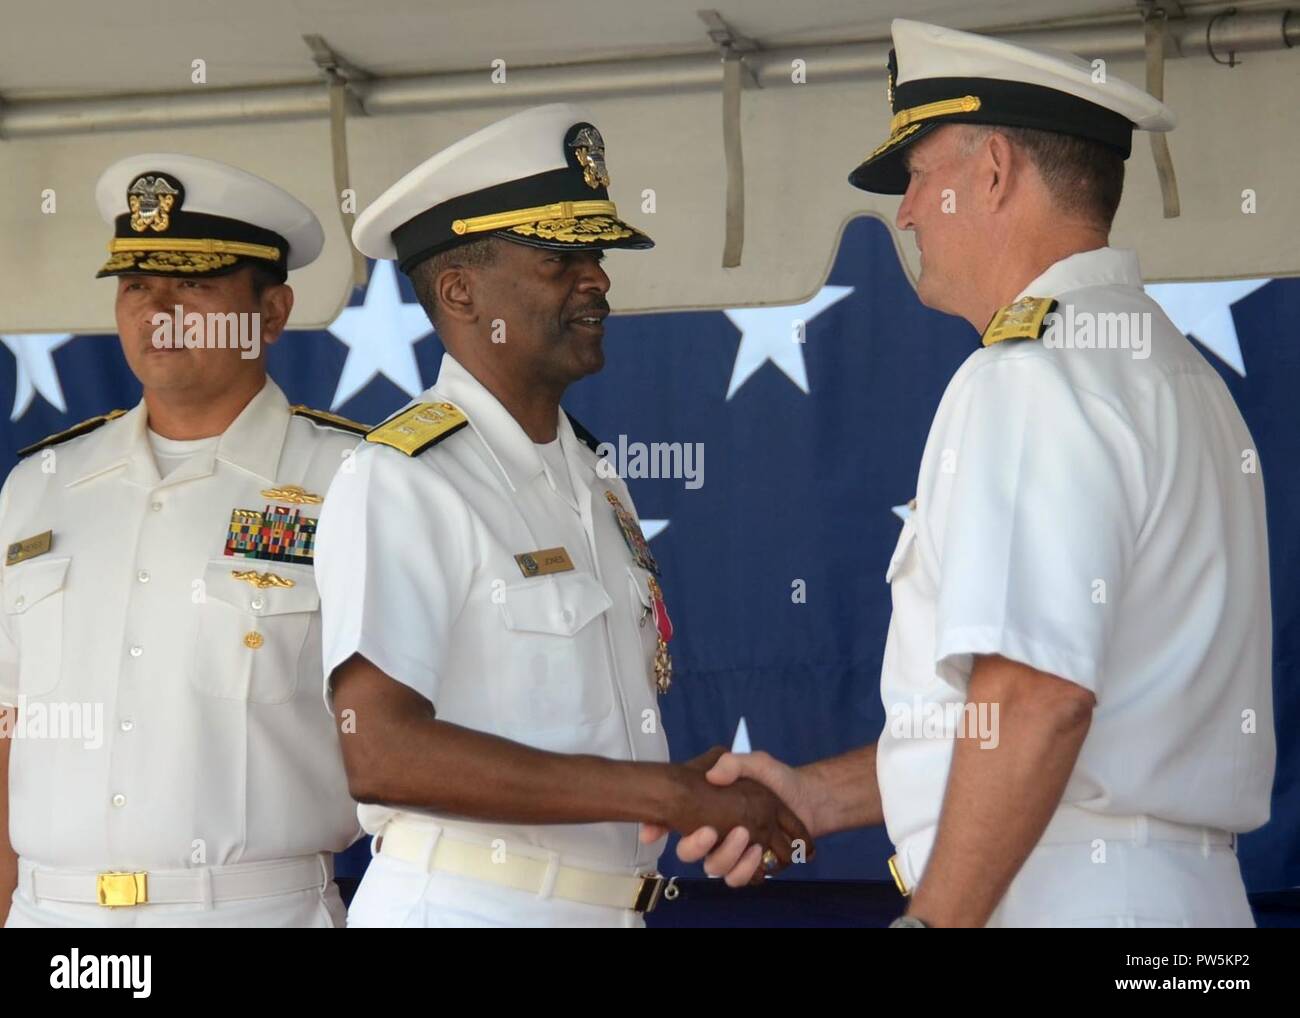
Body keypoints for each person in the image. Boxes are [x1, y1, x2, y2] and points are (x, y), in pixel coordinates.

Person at [657, 18, 1274, 928]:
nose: (903, 212)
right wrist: (816, 796)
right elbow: (1029, 711)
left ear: (992, 174)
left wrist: (935, 923)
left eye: (917, 177)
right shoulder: (1172, 371)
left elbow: (1036, 699)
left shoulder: (1030, 374)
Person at [317, 103, 811, 928]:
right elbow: (380, 750)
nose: (599, 278)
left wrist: (694, 790)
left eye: (597, 254)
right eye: (560, 257)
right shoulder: (402, 478)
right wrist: (660, 791)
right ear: (461, 290)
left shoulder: (589, 475)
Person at [0, 153, 364, 927]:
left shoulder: (352, 480)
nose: (156, 310)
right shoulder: (40, 486)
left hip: (249, 913)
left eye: (192, 284)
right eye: (137, 285)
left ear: (271, 313)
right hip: (52, 919)